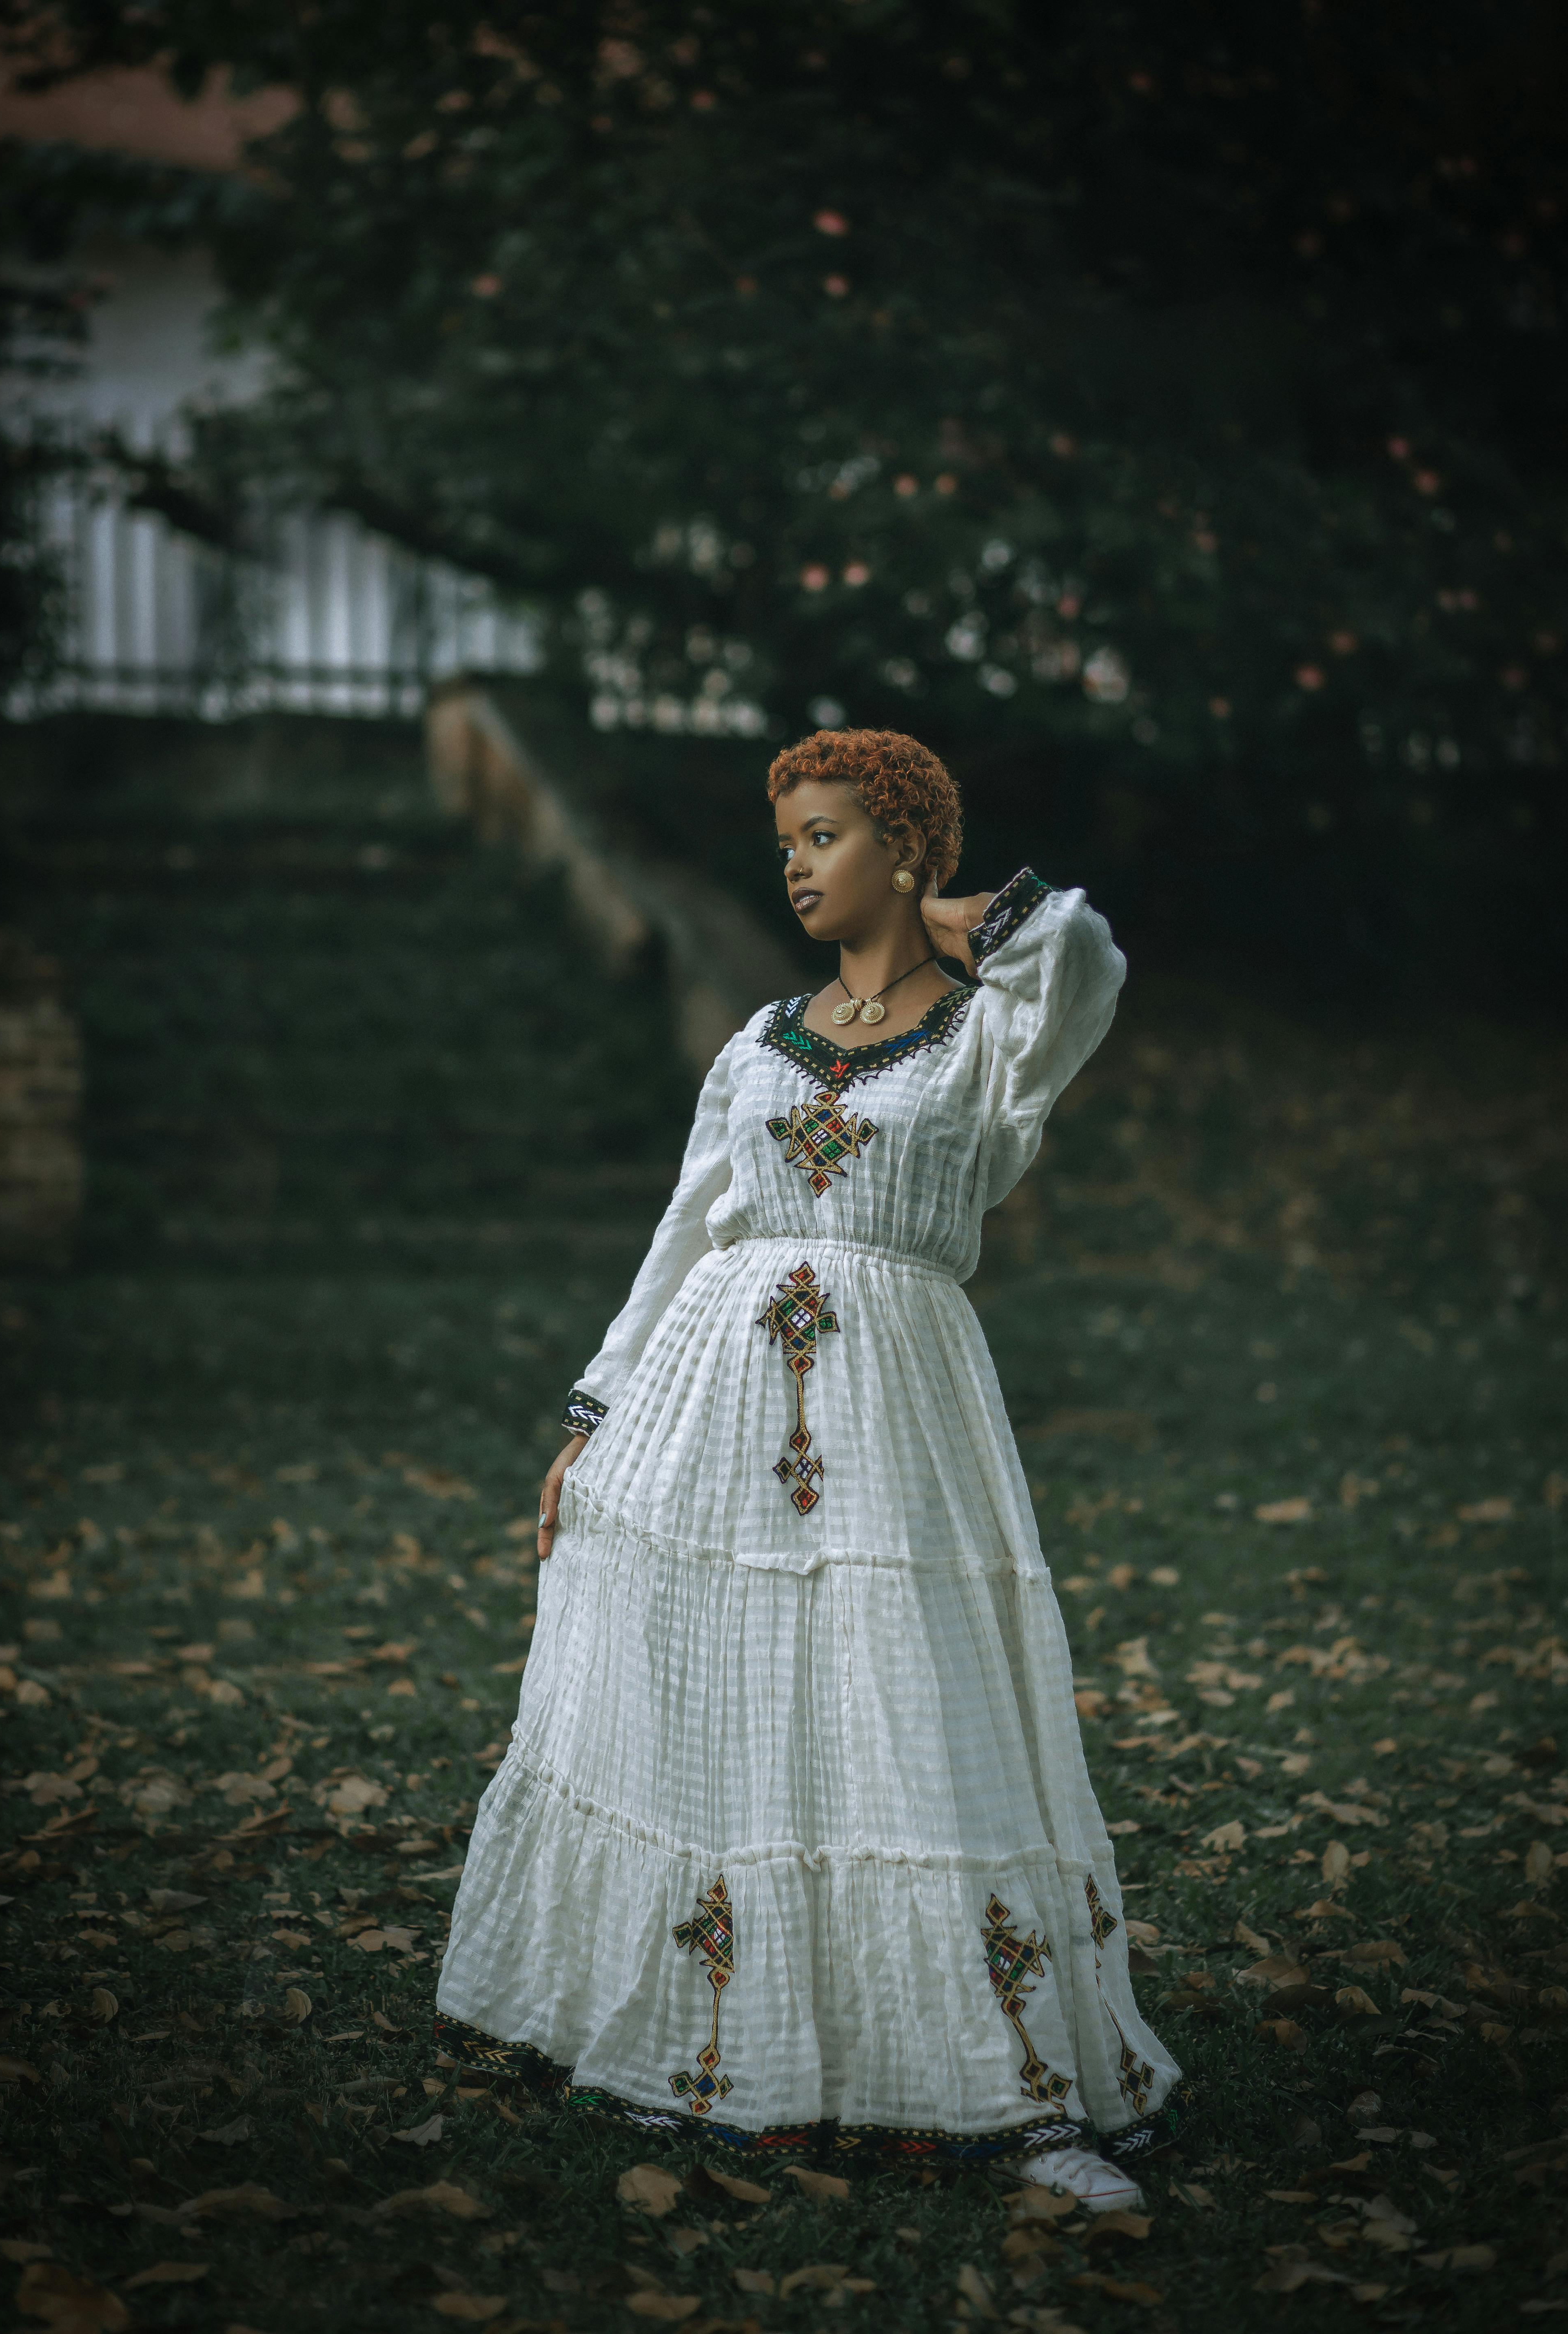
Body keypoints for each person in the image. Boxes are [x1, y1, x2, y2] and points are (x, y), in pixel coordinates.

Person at [437, 727, 1183, 2203]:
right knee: (725, 1710)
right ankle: (710, 2038)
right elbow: (680, 1240)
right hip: (714, 1419)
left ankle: (1005, 2092)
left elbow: (1084, 958)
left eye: (827, 834)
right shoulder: (755, 1045)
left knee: (905, 1708)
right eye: (784, 839)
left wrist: (951, 912)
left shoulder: (990, 1042)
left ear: (902, 850)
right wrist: (593, 1415)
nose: (794, 864)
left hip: (896, 1419)